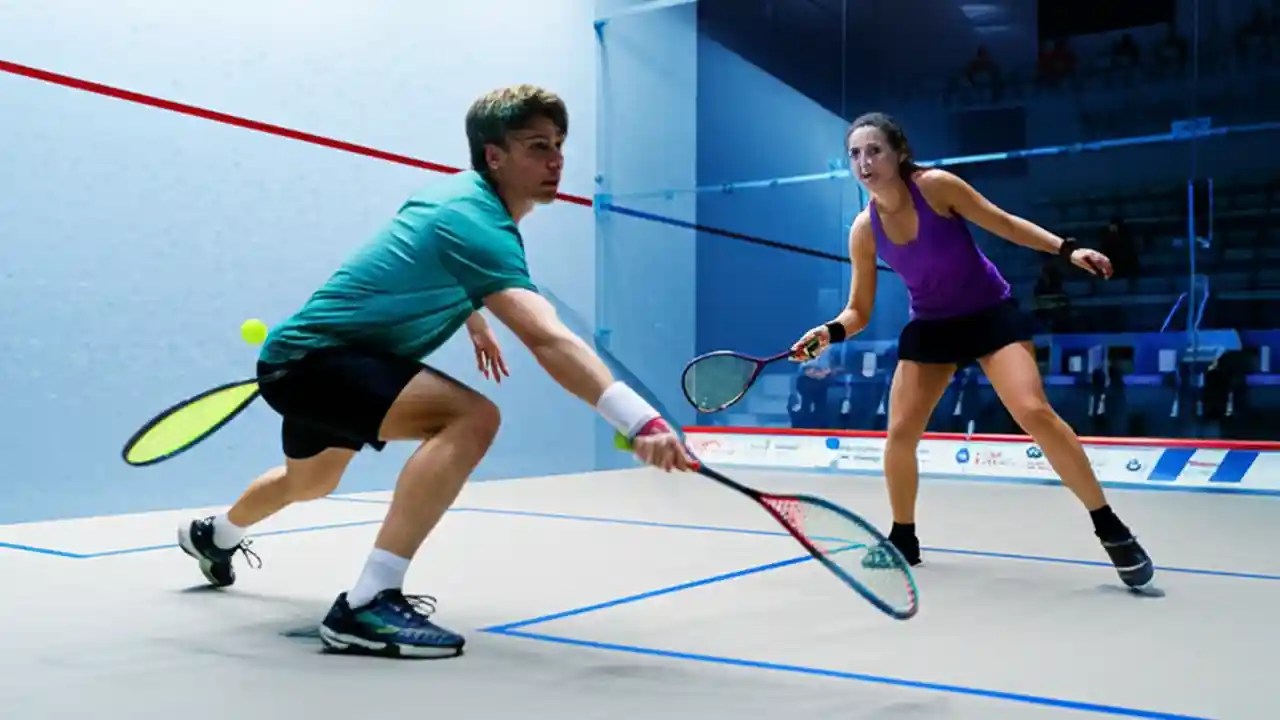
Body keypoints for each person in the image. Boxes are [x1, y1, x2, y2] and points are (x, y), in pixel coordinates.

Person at [176, 84, 695, 658]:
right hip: (317, 361)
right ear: (494, 155)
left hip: (307, 360)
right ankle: (368, 603)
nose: (556, 161)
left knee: (310, 483)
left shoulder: (456, 198)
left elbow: (420, 260)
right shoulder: (474, 220)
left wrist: (473, 317)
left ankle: (214, 535)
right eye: (536, 146)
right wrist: (639, 420)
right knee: (471, 418)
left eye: (558, 145)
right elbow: (546, 337)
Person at [790, 112, 1155, 592]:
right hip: (932, 326)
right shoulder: (864, 229)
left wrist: (1067, 250)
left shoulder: (936, 187)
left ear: (900, 153)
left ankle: (1110, 527)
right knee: (899, 433)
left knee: (1033, 412)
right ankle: (903, 538)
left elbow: (1003, 223)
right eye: (855, 154)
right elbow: (858, 310)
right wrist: (828, 332)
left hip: (989, 315)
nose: (864, 162)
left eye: (874, 150)